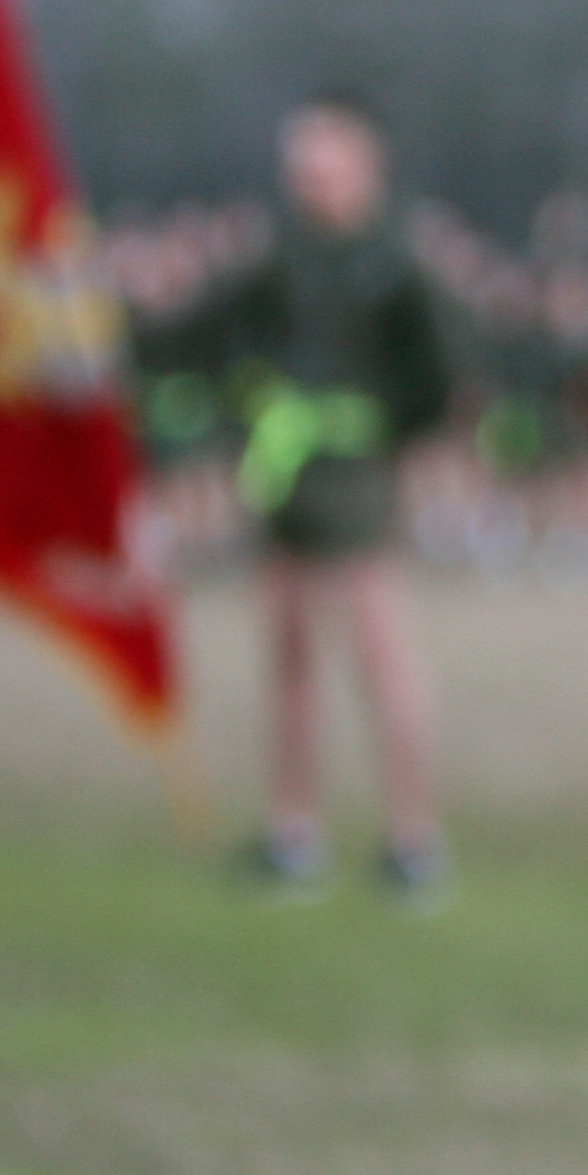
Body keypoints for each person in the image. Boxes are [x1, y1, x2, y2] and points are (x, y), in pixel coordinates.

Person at [150, 96, 464, 905]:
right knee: (287, 650)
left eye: (325, 165)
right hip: (284, 468)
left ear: (365, 167)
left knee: (379, 651)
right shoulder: (279, 260)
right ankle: (295, 832)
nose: (309, 181)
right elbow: (198, 333)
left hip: (355, 472)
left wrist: (383, 431)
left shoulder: (395, 262)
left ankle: (413, 839)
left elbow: (442, 372)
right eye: (301, 167)